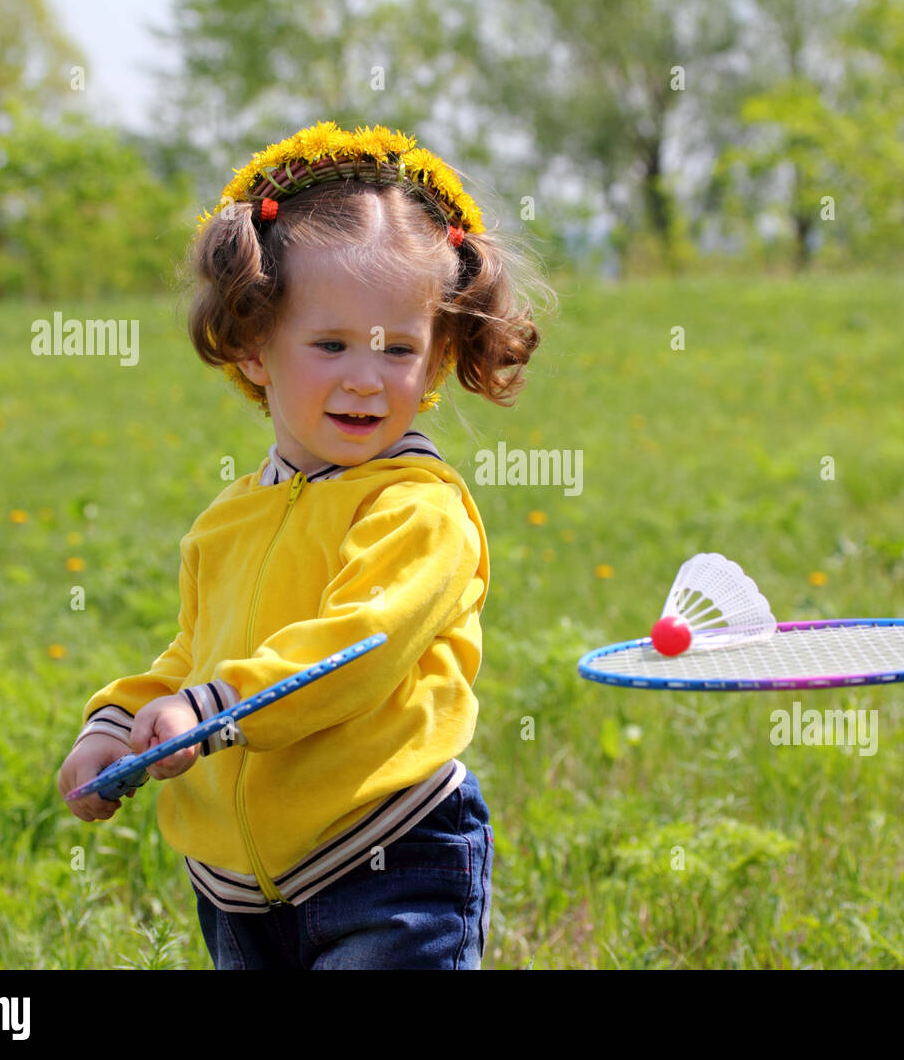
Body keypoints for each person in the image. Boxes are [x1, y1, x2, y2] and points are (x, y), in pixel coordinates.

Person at [56, 121, 553, 969]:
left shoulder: (416, 509)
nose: (366, 377)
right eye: (330, 345)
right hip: (241, 892)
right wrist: (118, 722)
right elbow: (197, 651)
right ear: (254, 345)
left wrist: (212, 715)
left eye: (399, 350)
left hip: (390, 860)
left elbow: (358, 648)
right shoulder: (229, 517)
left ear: (435, 364)